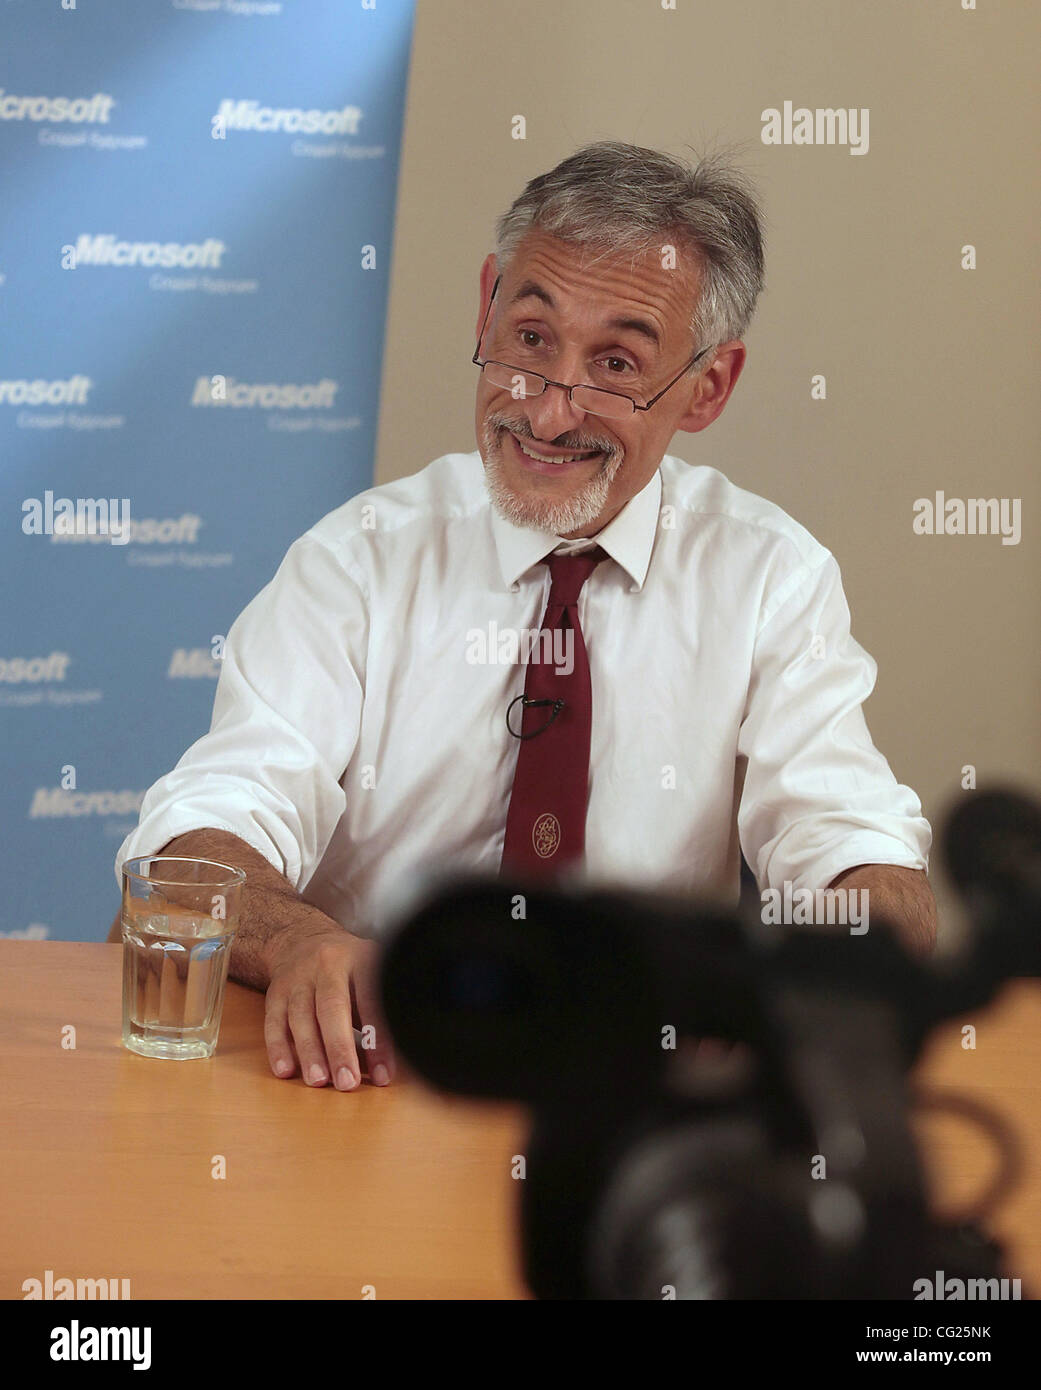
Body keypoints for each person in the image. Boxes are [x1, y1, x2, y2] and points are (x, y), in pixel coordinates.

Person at [112, 141, 936, 1094]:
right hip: (362, 1076)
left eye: (617, 363)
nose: (546, 413)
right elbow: (203, 837)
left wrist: (842, 955)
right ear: (486, 307)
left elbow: (847, 845)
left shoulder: (769, 578)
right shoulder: (359, 559)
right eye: (532, 340)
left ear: (707, 387)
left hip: (628, 1093)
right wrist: (301, 939)